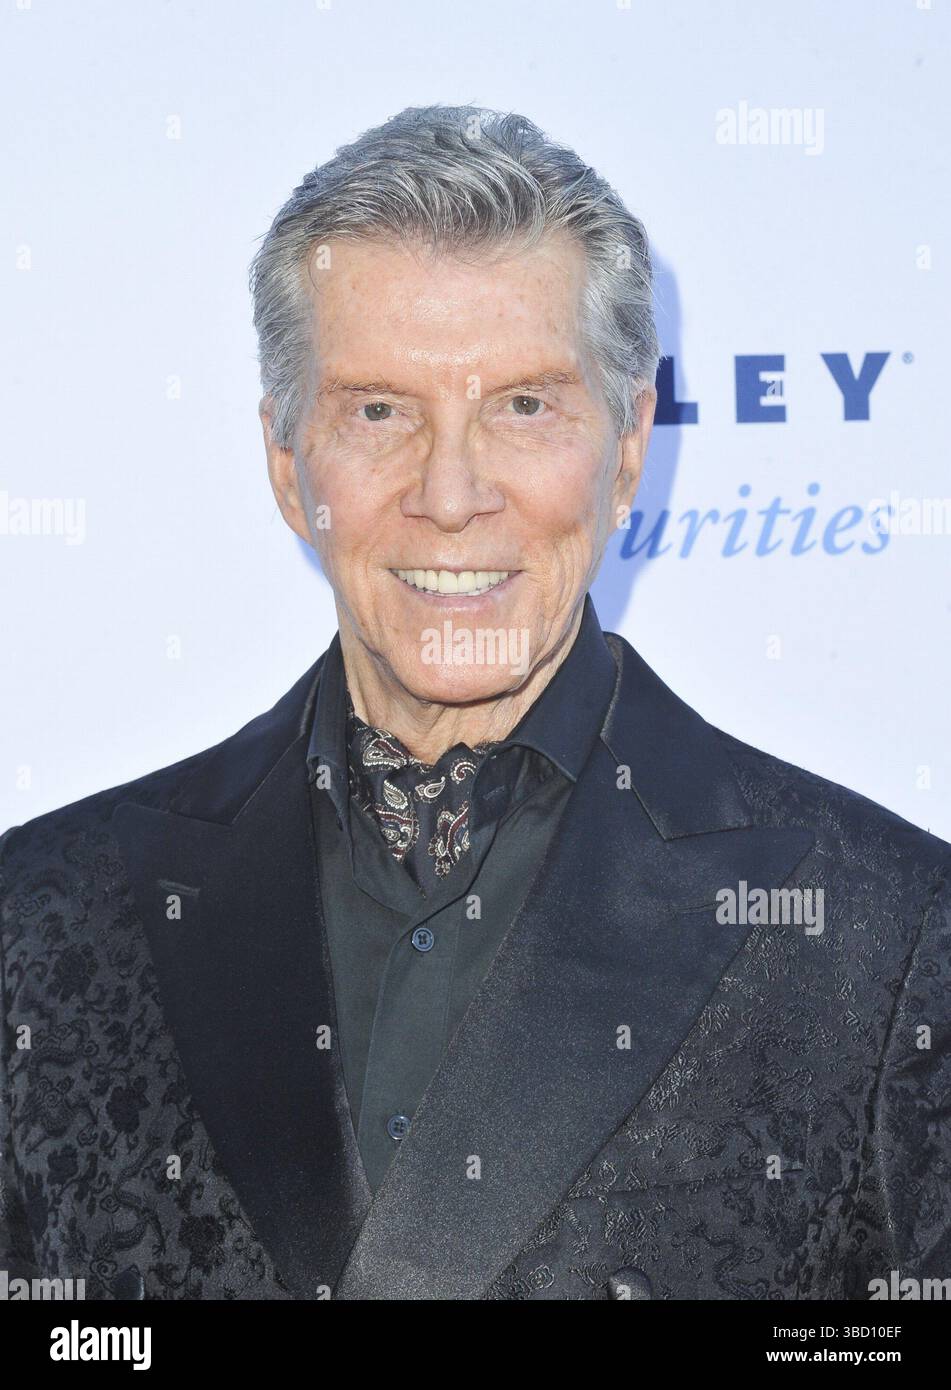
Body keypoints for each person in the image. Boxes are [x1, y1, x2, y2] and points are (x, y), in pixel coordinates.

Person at [2, 106, 948, 1301]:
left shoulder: (893, 934)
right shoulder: (38, 919)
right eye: (381, 411)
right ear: (290, 469)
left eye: (524, 406)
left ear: (626, 448)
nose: (451, 496)